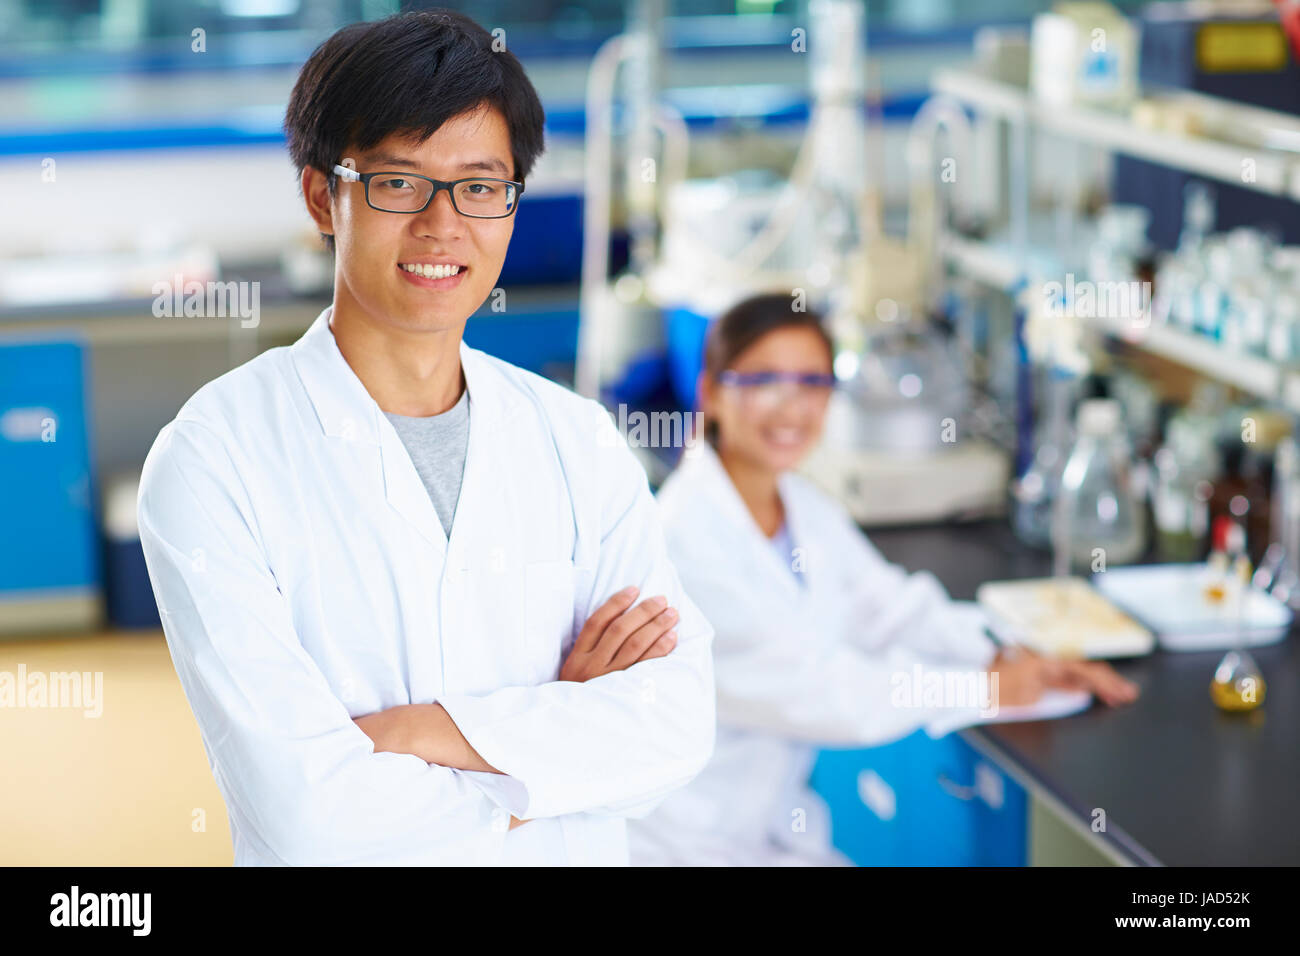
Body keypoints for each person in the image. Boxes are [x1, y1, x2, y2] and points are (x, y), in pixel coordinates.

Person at [136, 9, 714, 866]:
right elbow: (313, 821)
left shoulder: (576, 441)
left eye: (481, 186)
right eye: (399, 183)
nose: (444, 226)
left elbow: (677, 725)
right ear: (320, 195)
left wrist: (416, 735)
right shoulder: (214, 460)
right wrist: (554, 750)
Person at [626, 292, 1138, 866]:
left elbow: (892, 609)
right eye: (766, 379)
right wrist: (985, 687)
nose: (793, 408)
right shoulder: (686, 539)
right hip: (681, 848)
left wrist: (1015, 651)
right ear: (712, 392)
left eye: (814, 383)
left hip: (766, 831)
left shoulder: (798, 505)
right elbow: (827, 691)